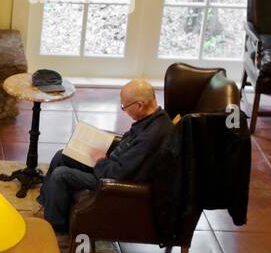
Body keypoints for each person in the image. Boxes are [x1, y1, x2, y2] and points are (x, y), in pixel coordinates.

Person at [37, 78, 175, 235]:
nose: (123, 110)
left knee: (60, 174)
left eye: (124, 106)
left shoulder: (151, 137)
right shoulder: (152, 119)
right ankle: (47, 203)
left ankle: (56, 227)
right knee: (62, 155)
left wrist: (100, 160)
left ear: (139, 105)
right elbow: (127, 148)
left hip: (113, 182)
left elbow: (118, 174)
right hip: (110, 165)